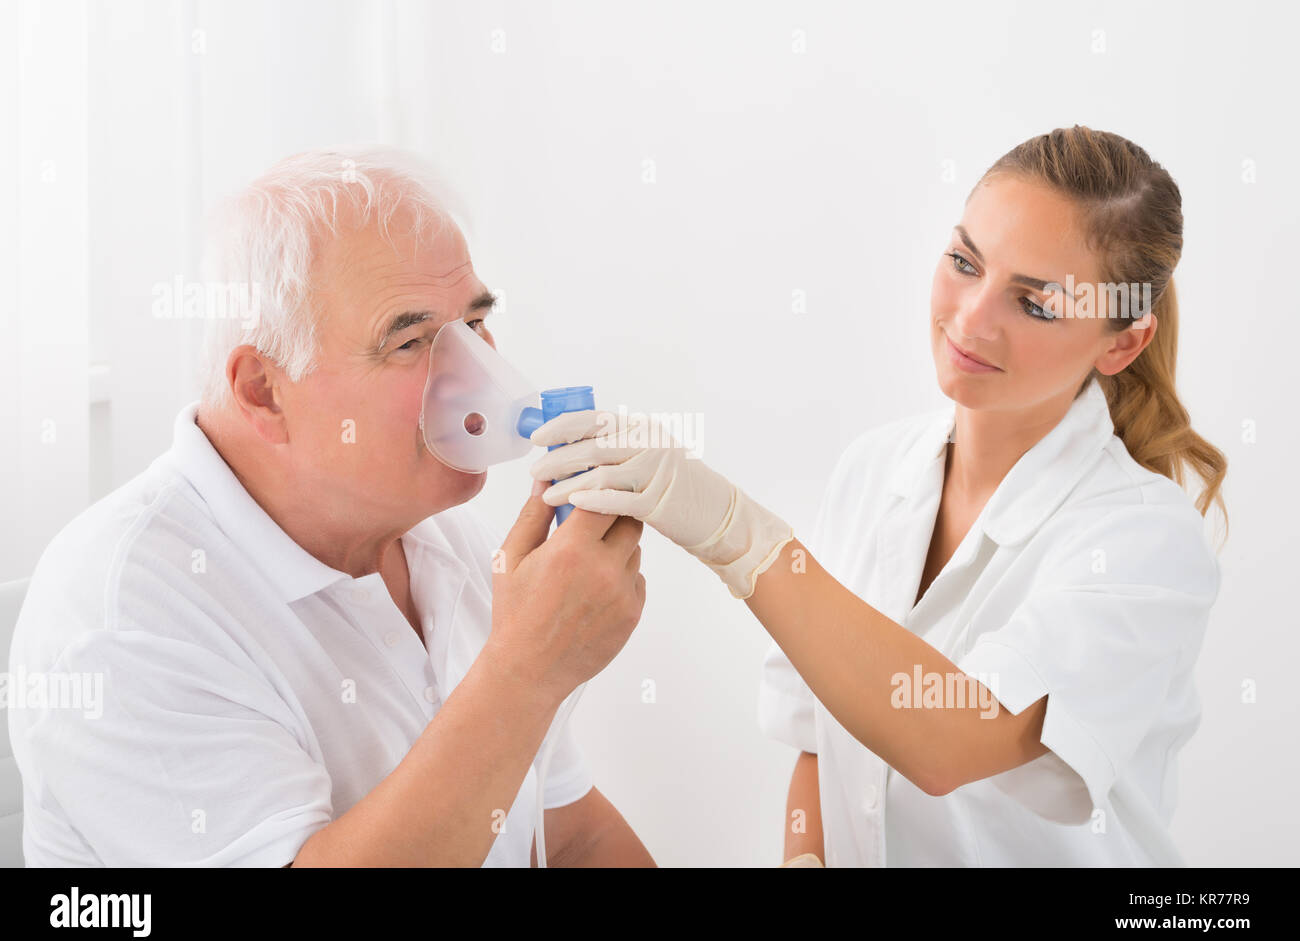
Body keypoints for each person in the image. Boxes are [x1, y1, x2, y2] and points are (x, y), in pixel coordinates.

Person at [529, 125, 1228, 866]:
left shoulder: (1145, 541)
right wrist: (806, 856)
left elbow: (946, 737)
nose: (970, 317)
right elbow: (820, 733)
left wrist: (736, 534)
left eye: (1036, 303)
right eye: (965, 262)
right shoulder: (873, 471)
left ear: (1121, 343)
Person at [8, 146, 654, 867]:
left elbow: (574, 840)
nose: (480, 375)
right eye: (410, 342)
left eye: (473, 325)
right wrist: (527, 669)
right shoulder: (122, 613)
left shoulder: (450, 544)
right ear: (262, 388)